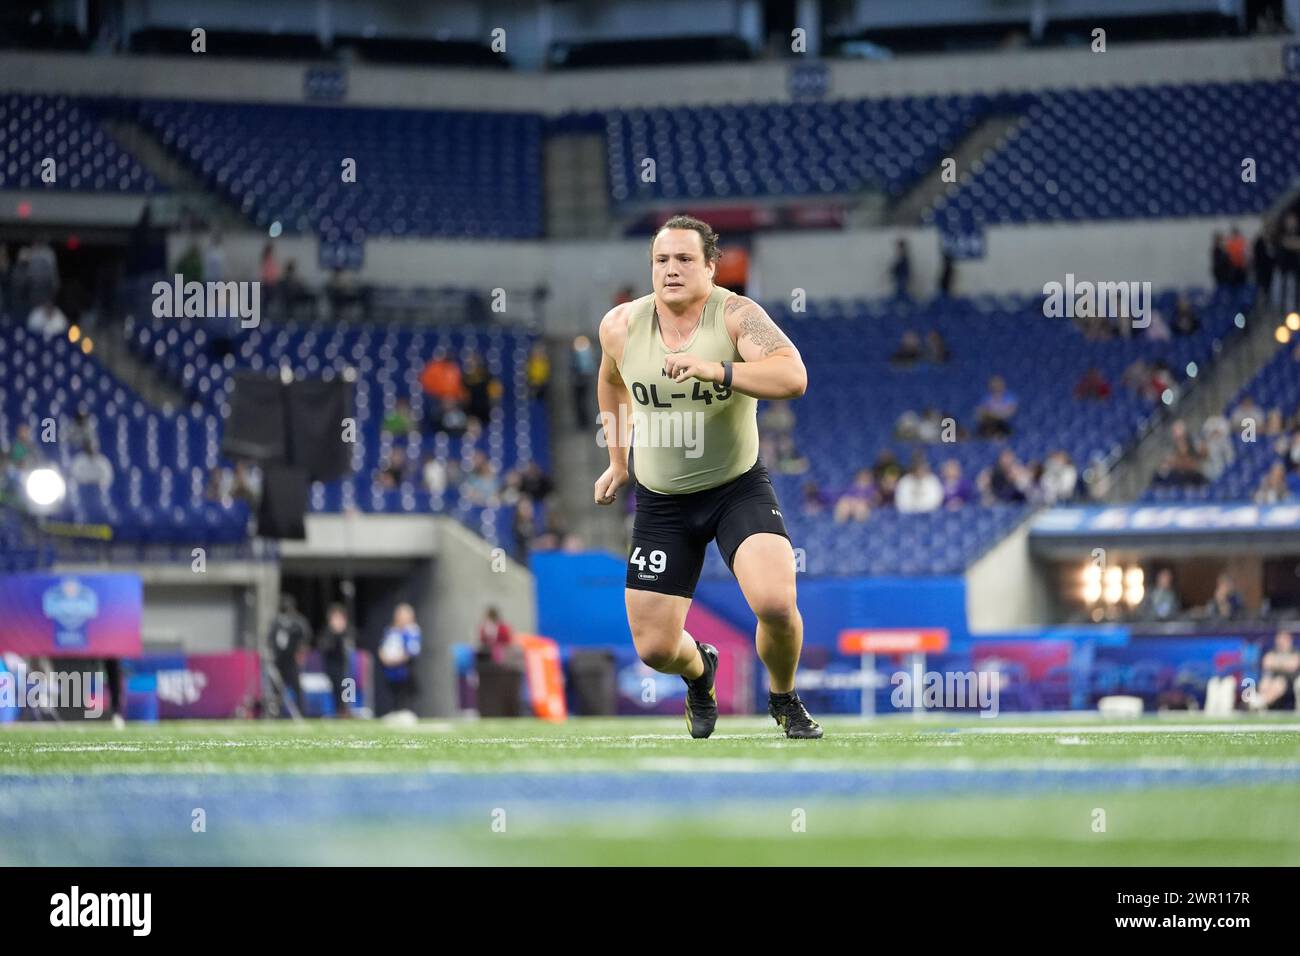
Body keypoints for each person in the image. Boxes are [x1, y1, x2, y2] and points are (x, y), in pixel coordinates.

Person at [593, 214, 822, 739]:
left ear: (711, 267)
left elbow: (793, 376)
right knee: (654, 649)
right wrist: (618, 461)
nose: (671, 269)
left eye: (684, 259)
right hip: (662, 500)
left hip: (735, 488)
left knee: (775, 604)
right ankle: (701, 670)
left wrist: (717, 369)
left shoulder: (737, 315)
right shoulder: (620, 326)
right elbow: (611, 383)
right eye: (661, 260)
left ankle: (783, 697)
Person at [268, 595, 312, 716]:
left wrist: (300, 652)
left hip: (292, 659)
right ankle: (277, 714)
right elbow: (271, 638)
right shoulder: (276, 622)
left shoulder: (298, 621)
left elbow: (305, 637)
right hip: (279, 660)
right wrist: (272, 653)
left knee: (296, 687)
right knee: (276, 689)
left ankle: (301, 712)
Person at [378, 603, 421, 716]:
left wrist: (397, 660)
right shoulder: (390, 631)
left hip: (404, 669)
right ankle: (395, 712)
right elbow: (382, 647)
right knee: (393, 693)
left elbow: (412, 650)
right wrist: (385, 658)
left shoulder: (412, 631)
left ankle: (406, 713)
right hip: (390, 670)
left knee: (405, 694)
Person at [316, 603, 356, 717]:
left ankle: (347, 710)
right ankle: (339, 710)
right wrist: (334, 633)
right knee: (336, 689)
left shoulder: (347, 631)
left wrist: (341, 633)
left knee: (347, 686)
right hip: (331, 665)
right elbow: (324, 647)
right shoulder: (327, 632)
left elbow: (351, 645)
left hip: (344, 665)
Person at [1255, 631, 1300, 710]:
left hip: (1288, 680)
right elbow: (1266, 663)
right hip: (1272, 678)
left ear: (1288, 640)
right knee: (1265, 682)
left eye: (1282, 639)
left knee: (1278, 683)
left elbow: (1292, 665)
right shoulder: (1273, 651)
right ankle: (1261, 703)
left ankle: (1260, 702)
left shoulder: (1295, 651)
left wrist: (1275, 663)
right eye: (1278, 639)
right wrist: (1283, 663)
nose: (1280, 641)